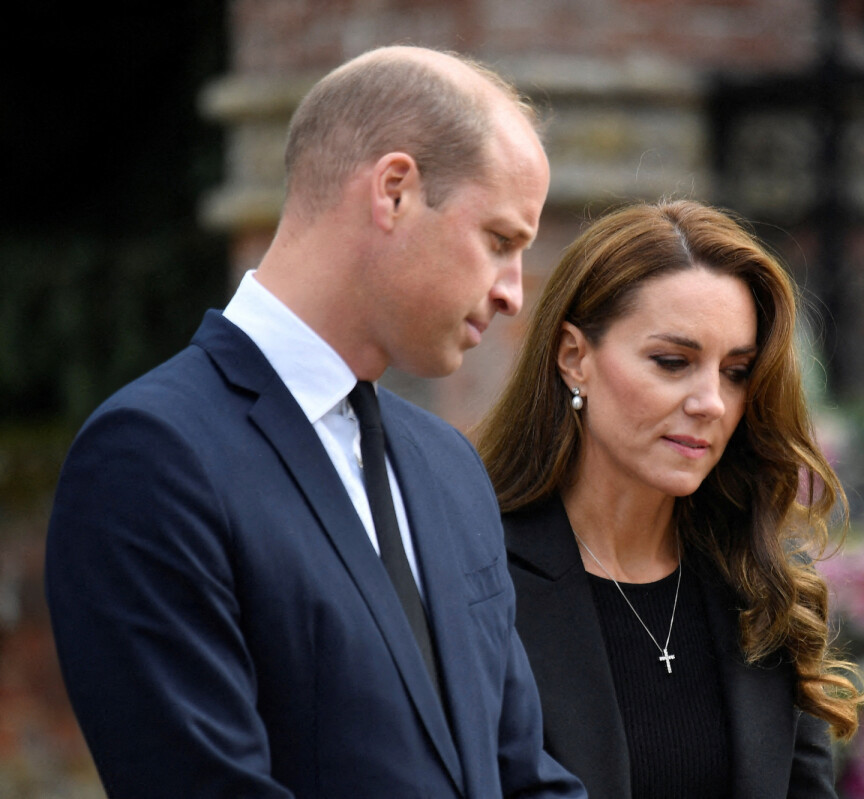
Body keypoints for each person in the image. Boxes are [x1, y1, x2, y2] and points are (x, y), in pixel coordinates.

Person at [45, 46, 585, 799]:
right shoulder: (151, 455)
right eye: (500, 241)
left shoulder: (449, 467)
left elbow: (526, 776)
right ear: (394, 190)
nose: (513, 294)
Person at [474, 199, 864, 798]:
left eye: (736, 371)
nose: (710, 401)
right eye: (672, 362)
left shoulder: (761, 581)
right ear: (575, 358)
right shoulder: (477, 576)